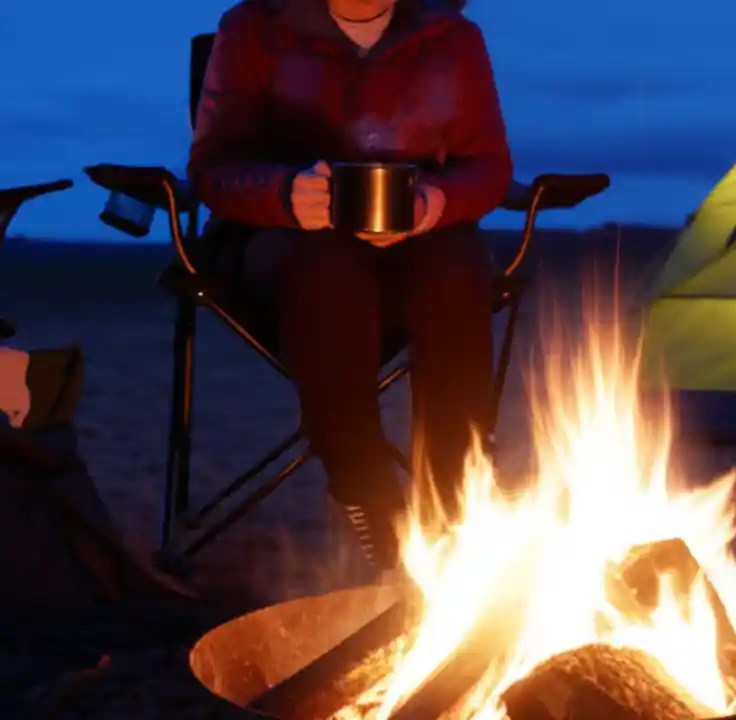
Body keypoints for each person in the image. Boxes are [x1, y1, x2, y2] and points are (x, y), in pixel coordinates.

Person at [187, 0, 512, 569]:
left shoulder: (451, 36)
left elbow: (487, 166)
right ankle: (364, 485)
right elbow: (214, 168)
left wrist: (431, 204)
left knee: (458, 264)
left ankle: (456, 494)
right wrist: (285, 193)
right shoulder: (255, 28)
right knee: (328, 265)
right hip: (286, 241)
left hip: (415, 243)